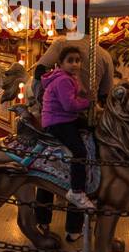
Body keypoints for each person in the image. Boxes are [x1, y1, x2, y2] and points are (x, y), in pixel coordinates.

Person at [38, 46, 96, 211]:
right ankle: (76, 191)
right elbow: (69, 105)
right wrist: (88, 102)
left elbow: (81, 92)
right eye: (70, 61)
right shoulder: (63, 80)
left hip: (66, 118)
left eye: (77, 61)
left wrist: (85, 89)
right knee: (79, 151)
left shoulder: (69, 77)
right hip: (57, 122)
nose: (74, 64)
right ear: (60, 63)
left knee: (93, 129)